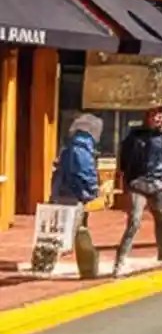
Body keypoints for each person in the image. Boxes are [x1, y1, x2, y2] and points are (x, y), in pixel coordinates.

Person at [113, 106, 162, 277]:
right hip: (139, 182)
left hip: (159, 183)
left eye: (160, 115)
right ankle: (120, 261)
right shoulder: (135, 136)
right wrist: (126, 179)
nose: (157, 118)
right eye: (153, 115)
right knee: (135, 220)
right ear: (146, 118)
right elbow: (124, 157)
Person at [52, 114, 103, 278]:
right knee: (78, 229)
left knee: (59, 228)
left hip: (63, 191)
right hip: (75, 193)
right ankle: (87, 266)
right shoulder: (82, 150)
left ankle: (45, 261)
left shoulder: (69, 148)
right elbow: (85, 172)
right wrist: (93, 189)